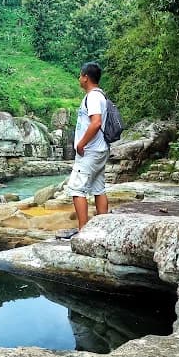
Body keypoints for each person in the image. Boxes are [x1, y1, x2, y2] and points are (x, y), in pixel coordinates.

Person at [65, 61, 109, 233]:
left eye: (80, 75)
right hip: (100, 149)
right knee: (99, 188)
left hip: (90, 151)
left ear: (86, 77)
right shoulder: (101, 95)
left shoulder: (93, 97)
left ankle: (83, 230)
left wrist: (81, 143)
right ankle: (104, 228)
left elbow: (96, 122)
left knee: (77, 189)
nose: (79, 78)